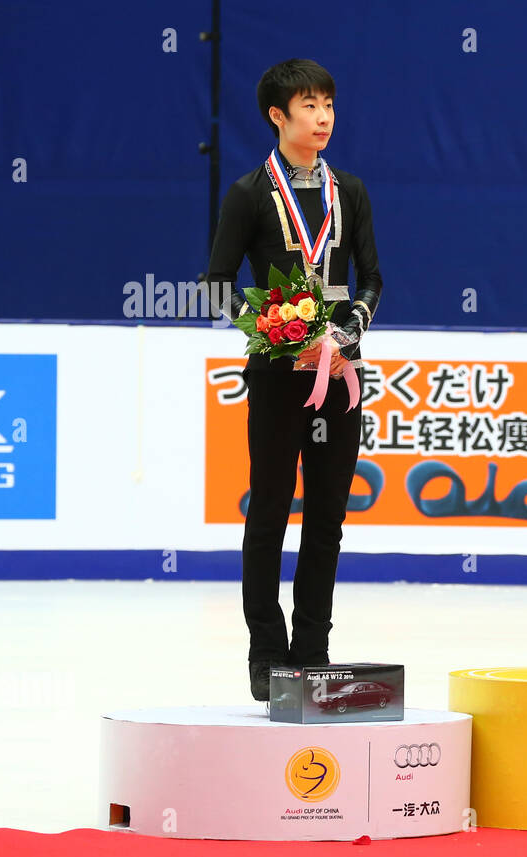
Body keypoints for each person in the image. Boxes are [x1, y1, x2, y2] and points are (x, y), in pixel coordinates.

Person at [207, 58, 383, 701]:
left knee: (329, 517)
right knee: (271, 510)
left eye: (330, 105)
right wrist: (276, 332)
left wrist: (347, 333)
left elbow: (374, 278)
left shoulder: (351, 192)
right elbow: (218, 286)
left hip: (339, 375)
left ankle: (314, 648)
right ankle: (266, 649)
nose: (324, 117)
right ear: (278, 116)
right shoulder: (250, 192)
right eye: (309, 106)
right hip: (278, 378)